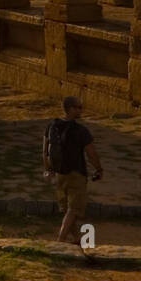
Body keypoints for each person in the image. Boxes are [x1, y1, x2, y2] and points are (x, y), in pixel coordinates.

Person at [43, 95, 103, 243]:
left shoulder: (52, 126)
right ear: (70, 109)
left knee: (66, 209)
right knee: (74, 209)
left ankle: (77, 239)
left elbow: (45, 150)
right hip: (76, 173)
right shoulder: (81, 130)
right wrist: (99, 169)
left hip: (59, 173)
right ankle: (61, 239)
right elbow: (91, 154)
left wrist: (48, 169)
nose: (81, 110)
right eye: (79, 107)